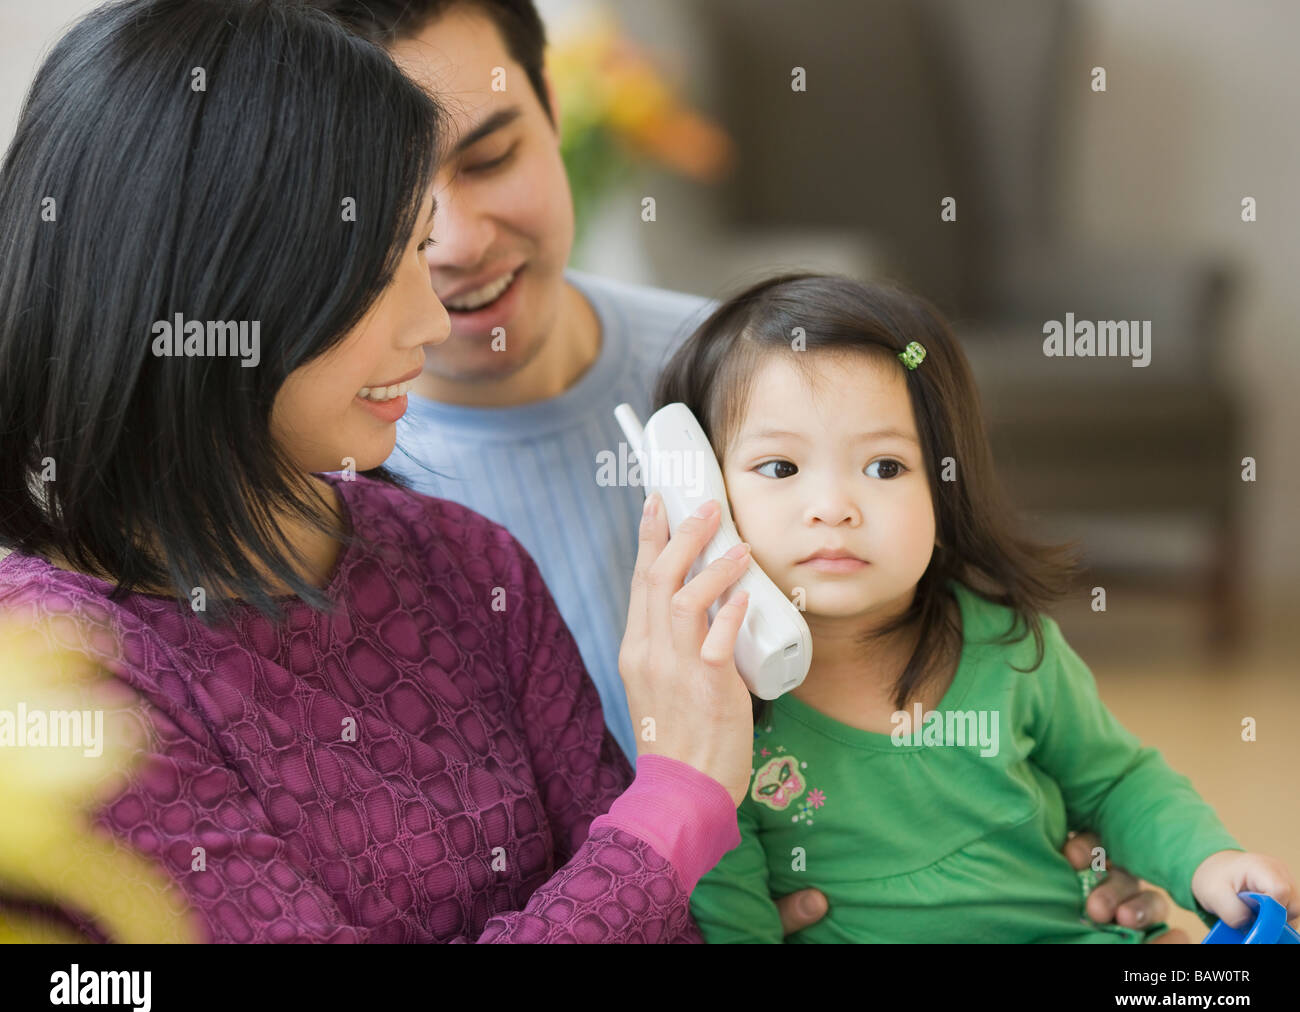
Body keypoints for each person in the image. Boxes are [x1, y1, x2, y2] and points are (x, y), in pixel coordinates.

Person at [309, 0, 1190, 940]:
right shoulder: (310, 478)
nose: (459, 239)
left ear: (557, 119)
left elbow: (1007, 709)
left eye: (490, 158)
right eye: (397, 201)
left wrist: (1074, 855)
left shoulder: (768, 372)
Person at [0, 0, 747, 943]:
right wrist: (673, 806)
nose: (432, 324)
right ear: (209, 290)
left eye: (418, 251)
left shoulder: (469, 566)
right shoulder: (50, 667)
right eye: (374, 269)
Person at [644, 273, 1297, 942]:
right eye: (781, 468)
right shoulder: (715, 714)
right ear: (701, 492)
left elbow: (1117, 782)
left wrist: (1209, 862)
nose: (834, 507)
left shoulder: (1007, 644)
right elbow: (732, 916)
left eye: (886, 467)